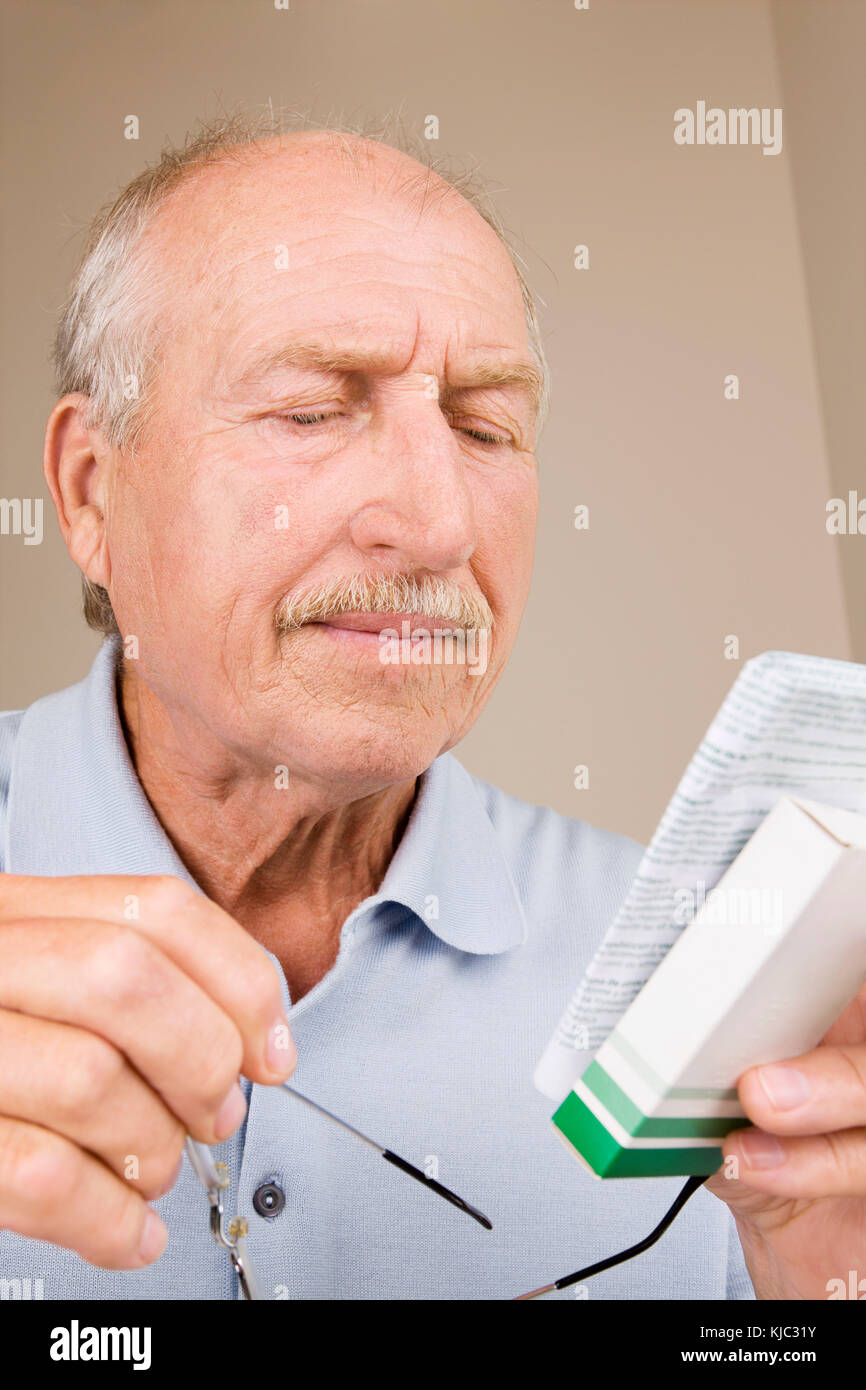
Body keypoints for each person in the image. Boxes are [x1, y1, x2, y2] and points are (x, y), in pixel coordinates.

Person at [0, 113, 861, 1301]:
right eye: (310, 410)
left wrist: (821, 1296)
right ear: (92, 493)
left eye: (483, 427)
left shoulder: (702, 974)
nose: (441, 523)